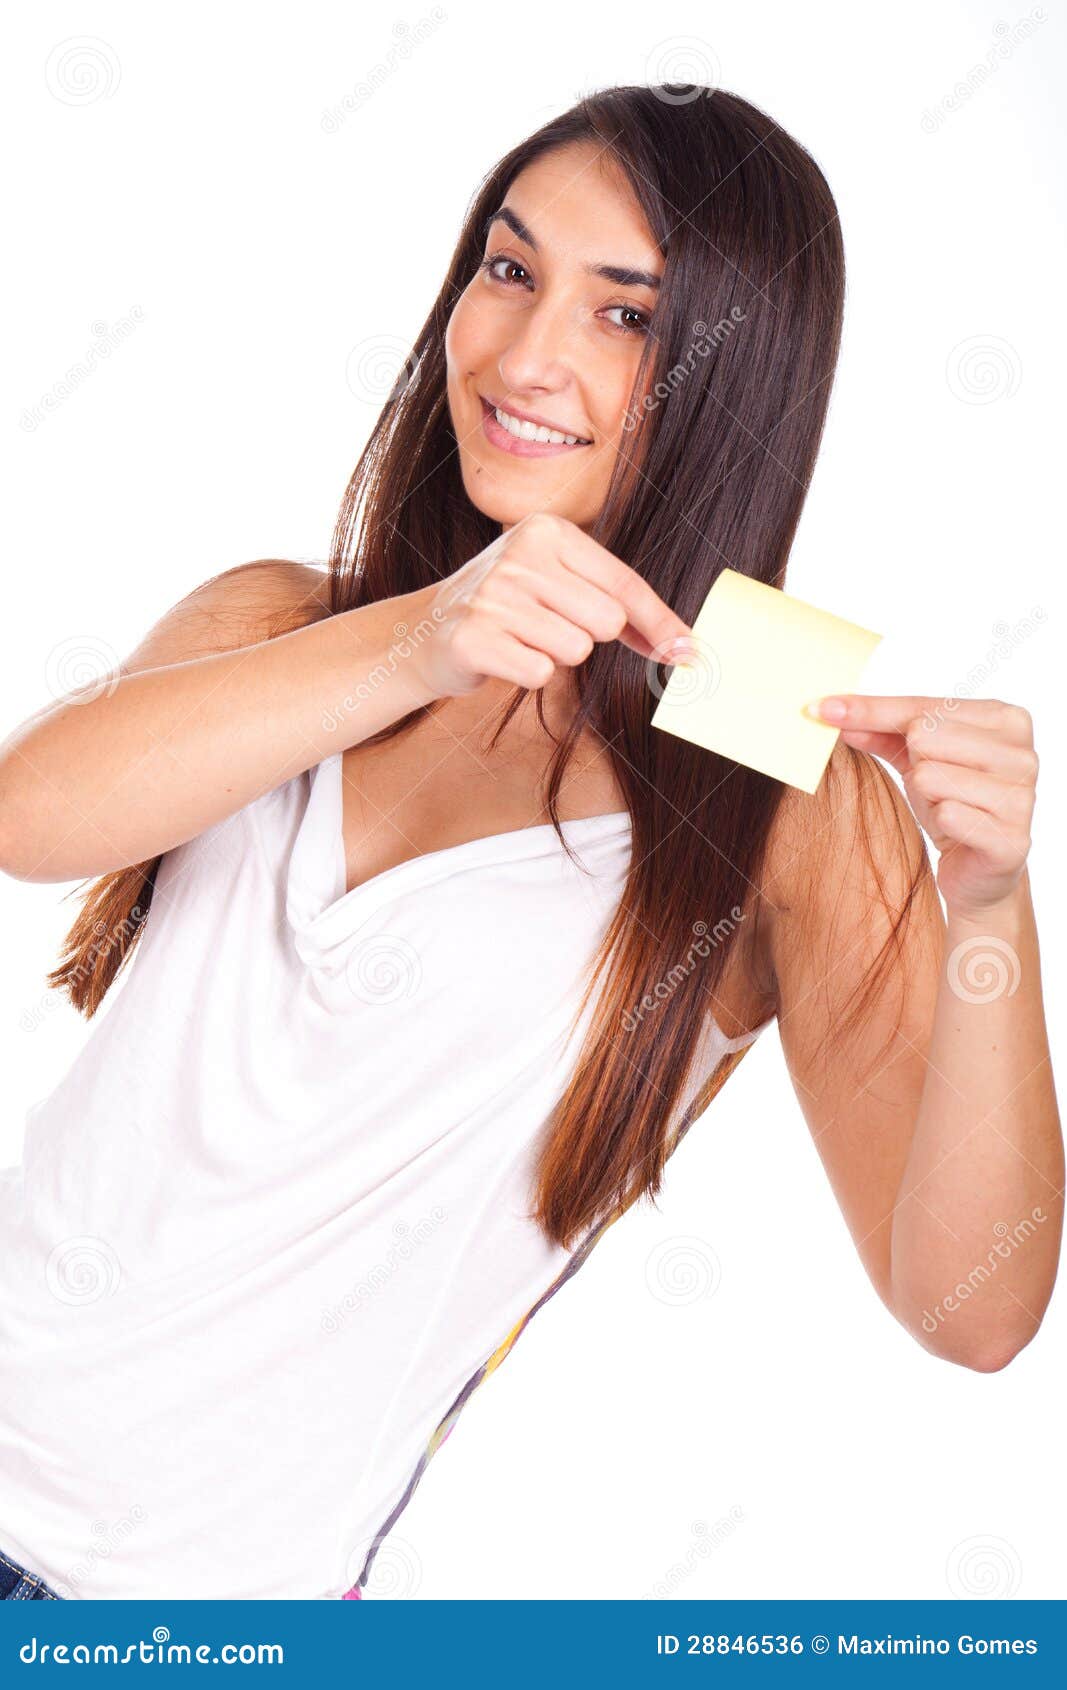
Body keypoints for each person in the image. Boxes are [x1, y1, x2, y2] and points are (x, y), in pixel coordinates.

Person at [0, 84, 1060, 1602]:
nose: (527, 353)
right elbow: (27, 816)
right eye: (509, 269)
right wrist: (419, 644)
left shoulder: (777, 797)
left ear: (733, 375)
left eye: (628, 316)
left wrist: (993, 908)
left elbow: (975, 1305)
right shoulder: (290, 621)